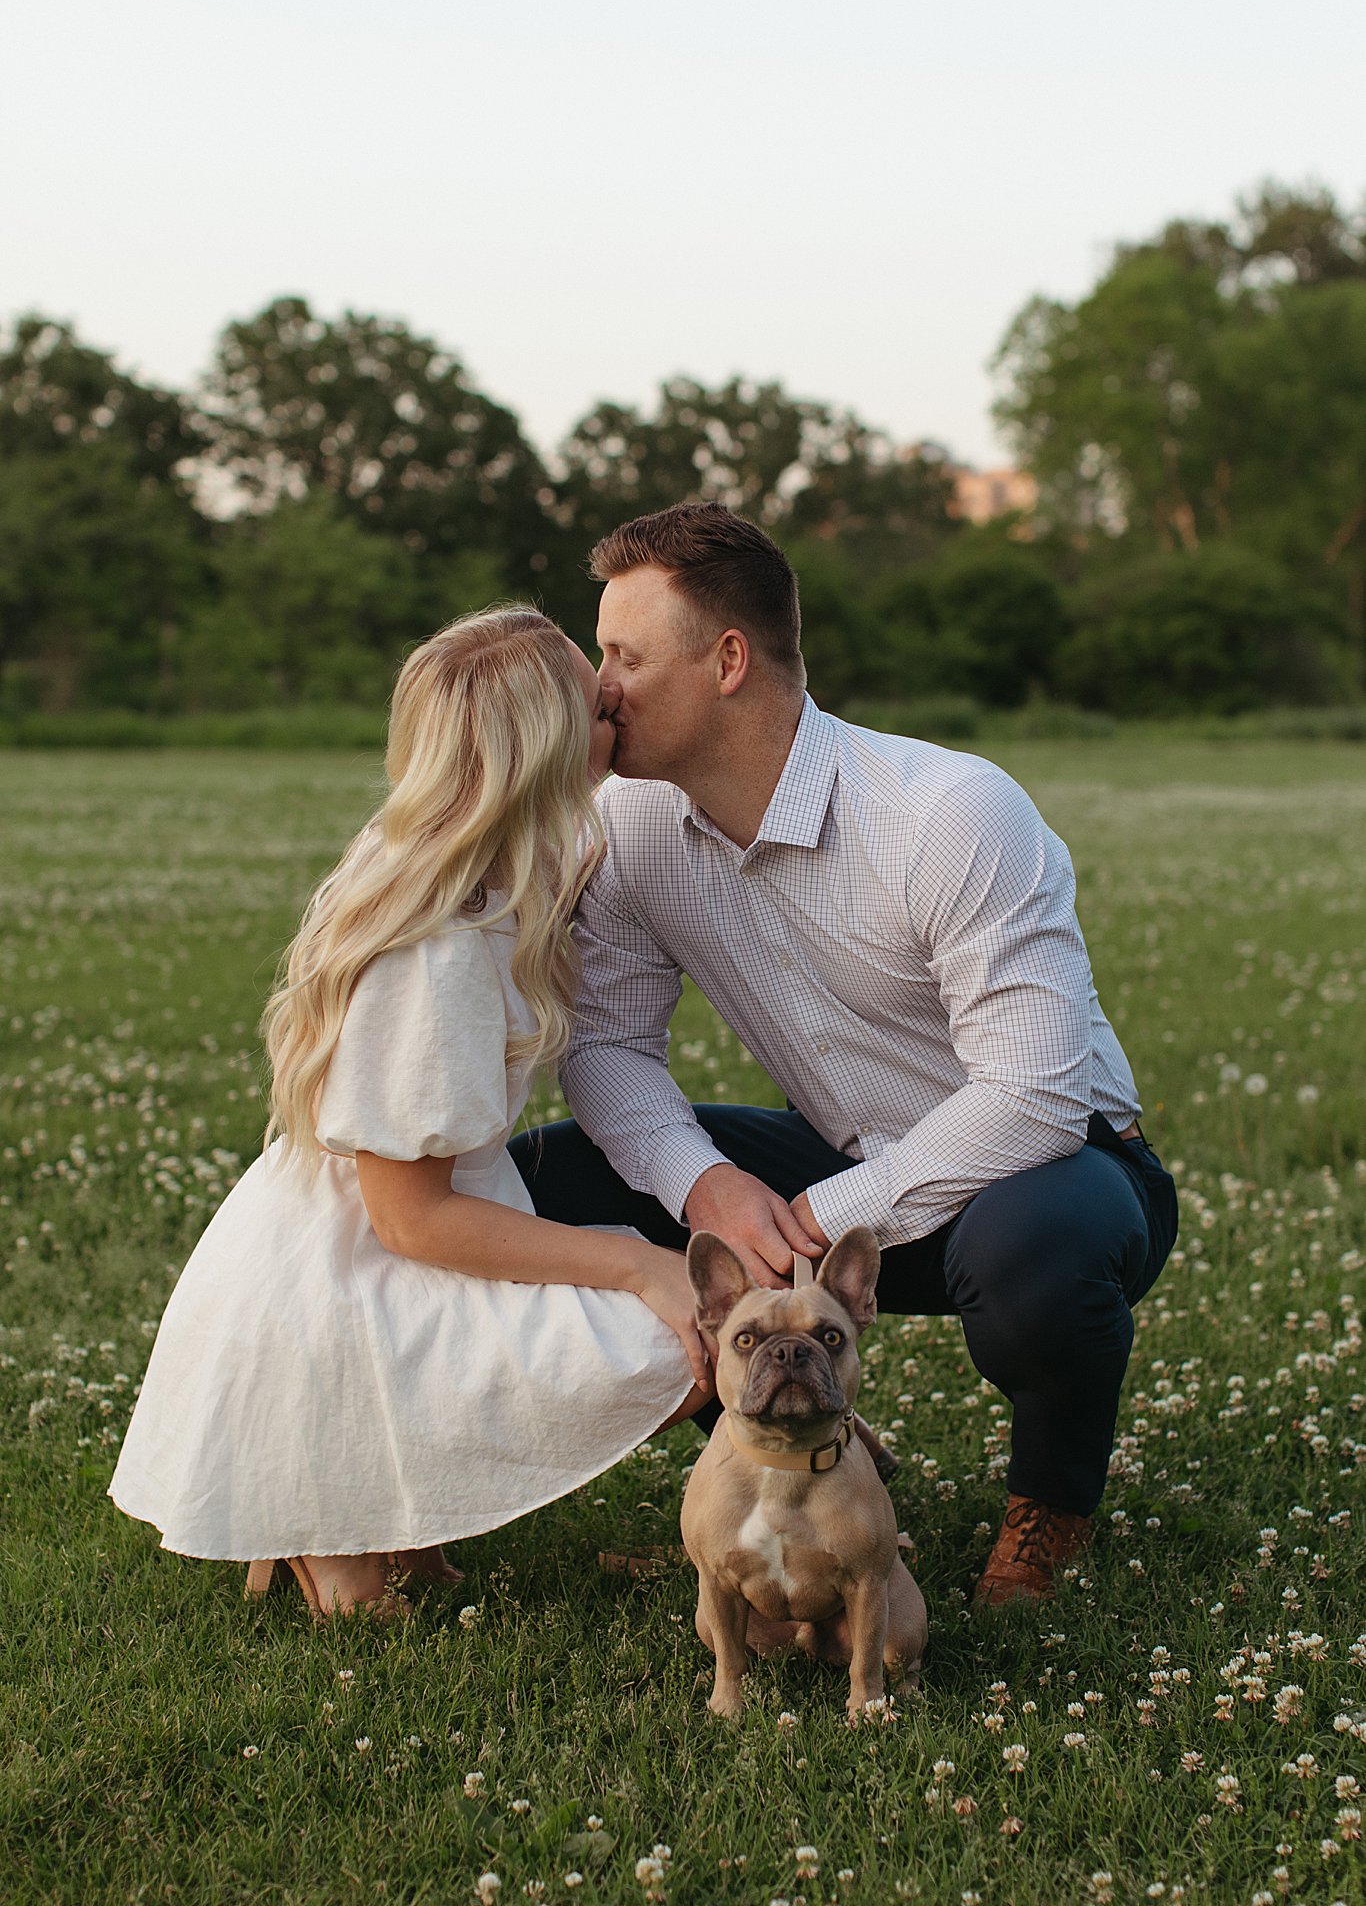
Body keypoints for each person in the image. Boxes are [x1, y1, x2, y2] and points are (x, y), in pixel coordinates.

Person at [511, 503, 1179, 1608]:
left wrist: (817, 1222)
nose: (600, 686)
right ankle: (779, 1454)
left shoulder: (950, 810)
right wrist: (711, 1187)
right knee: (548, 1181)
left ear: (727, 659)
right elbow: (610, 1049)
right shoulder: (628, 822)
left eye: (625, 654)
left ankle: (1048, 1506)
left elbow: (1036, 1097)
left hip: (1058, 1169)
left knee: (1036, 1243)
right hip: (835, 1159)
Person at [110, 608, 706, 1617]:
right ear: (547, 746)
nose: (620, 697)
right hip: (357, 1276)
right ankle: (324, 1509)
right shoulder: (435, 949)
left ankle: (388, 1512)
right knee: (679, 1332)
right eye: (597, 697)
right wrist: (640, 1263)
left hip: (370, 1244)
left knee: (672, 1315)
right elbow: (409, 1220)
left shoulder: (487, 862)